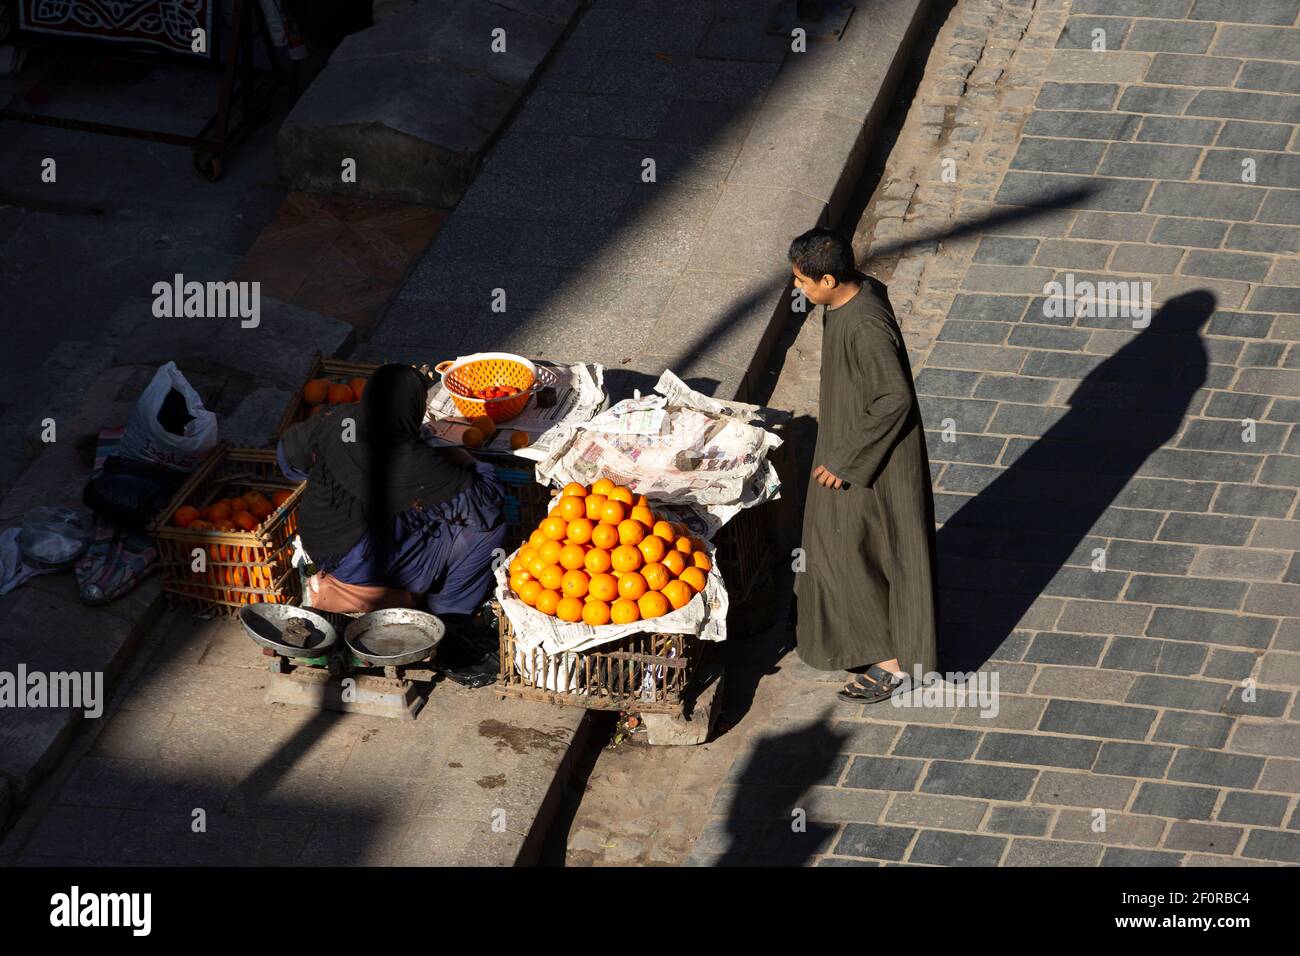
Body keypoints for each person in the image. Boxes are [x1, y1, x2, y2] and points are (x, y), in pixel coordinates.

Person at [276, 363, 507, 684]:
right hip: (361, 563)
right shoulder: (416, 461)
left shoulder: (338, 419)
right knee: (486, 531)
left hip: (319, 541)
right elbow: (488, 504)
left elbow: (287, 457)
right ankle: (449, 617)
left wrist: (336, 475)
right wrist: (471, 463)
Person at [787, 228, 939, 703]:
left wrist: (847, 460)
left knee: (855, 550)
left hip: (873, 461)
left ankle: (893, 660)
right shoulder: (849, 299)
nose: (798, 289)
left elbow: (894, 397)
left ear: (829, 279)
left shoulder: (866, 324)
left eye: (803, 282)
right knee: (843, 547)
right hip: (851, 445)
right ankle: (862, 640)